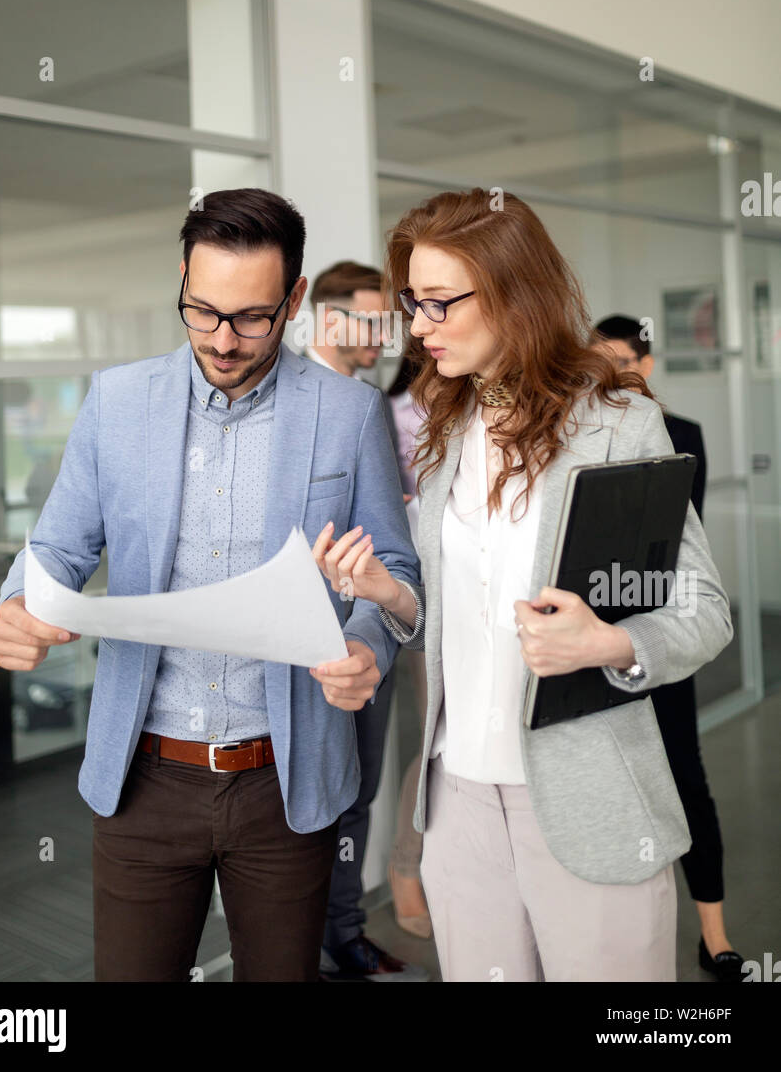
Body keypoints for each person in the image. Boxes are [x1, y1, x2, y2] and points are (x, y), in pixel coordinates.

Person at [0, 187, 423, 983]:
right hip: (143, 780)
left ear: (293, 300)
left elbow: (393, 572)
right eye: (202, 311)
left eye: (252, 317)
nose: (223, 341)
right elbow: (55, 546)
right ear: (182, 282)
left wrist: (364, 642)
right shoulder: (116, 402)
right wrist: (18, 603)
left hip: (283, 784)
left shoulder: (348, 413)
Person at [312, 187, 733, 982]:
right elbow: (446, 609)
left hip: (588, 795)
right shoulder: (443, 432)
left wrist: (610, 640)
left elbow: (703, 608)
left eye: (439, 303)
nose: (418, 326)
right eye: (413, 303)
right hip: (459, 799)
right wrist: (387, 591)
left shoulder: (616, 423)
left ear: (513, 293)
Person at [593, 314, 745, 984]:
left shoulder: (682, 436)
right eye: (598, 360)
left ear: (647, 365)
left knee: (685, 776)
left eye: (623, 360)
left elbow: (681, 547)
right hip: (593, 636)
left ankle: (714, 936)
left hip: (655, 629)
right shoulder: (583, 432)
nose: (612, 372)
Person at [303, 262, 427, 981]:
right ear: (327, 318)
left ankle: (342, 937)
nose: (386, 336)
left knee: (359, 794)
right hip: (299, 640)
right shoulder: (290, 397)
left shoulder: (374, 404)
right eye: (372, 320)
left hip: (370, 632)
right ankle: (299, 946)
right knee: (304, 802)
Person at [385, 356, 433, 938]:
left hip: (486, 600)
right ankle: (405, 866)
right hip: (419, 597)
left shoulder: (479, 410)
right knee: (432, 736)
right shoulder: (388, 413)